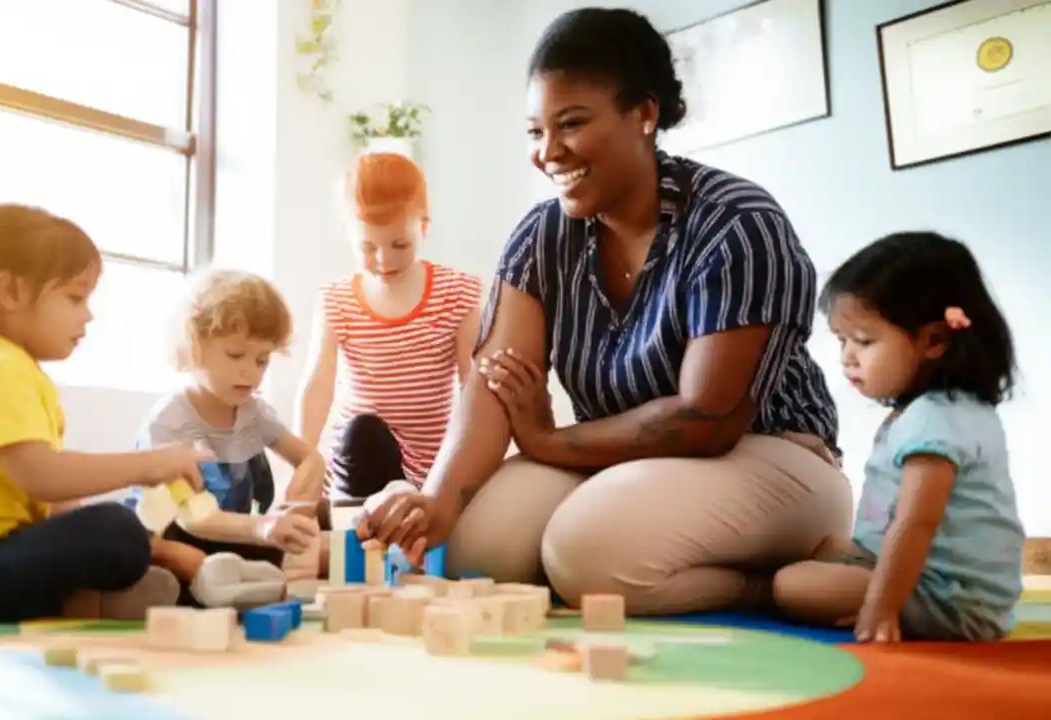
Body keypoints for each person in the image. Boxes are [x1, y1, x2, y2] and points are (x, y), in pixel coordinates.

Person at [357, 7, 852, 616]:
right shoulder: (543, 236)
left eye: (571, 124)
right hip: (616, 465)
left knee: (585, 556)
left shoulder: (737, 224)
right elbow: (494, 387)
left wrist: (547, 440)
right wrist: (436, 500)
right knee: (475, 552)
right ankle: (639, 568)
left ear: (644, 114)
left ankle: (779, 583)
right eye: (535, 132)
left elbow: (706, 421)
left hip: (772, 454)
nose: (548, 152)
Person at [0, 203, 207, 623]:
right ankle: (87, 600)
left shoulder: (18, 369)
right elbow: (41, 475)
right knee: (116, 529)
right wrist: (150, 465)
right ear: (10, 292)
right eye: (75, 297)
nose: (89, 314)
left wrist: (148, 544)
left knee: (114, 531)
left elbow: (56, 501)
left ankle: (95, 599)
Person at [773, 232, 1024, 642]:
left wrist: (880, 607)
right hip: (923, 576)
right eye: (842, 341)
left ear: (935, 341)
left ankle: (887, 602)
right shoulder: (940, 410)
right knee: (825, 547)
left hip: (948, 600)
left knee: (790, 584)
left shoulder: (935, 419)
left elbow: (915, 523)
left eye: (864, 341)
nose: (847, 357)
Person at [295, 152, 482, 501]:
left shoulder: (457, 294)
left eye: (400, 244)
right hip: (359, 465)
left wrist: (475, 467)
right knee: (363, 432)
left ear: (423, 228)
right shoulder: (337, 300)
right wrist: (302, 461)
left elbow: (473, 384)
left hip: (432, 473)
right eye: (368, 247)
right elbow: (318, 382)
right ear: (348, 235)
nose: (384, 260)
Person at [136, 268, 324, 607]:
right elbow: (192, 517)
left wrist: (296, 508)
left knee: (289, 553)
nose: (250, 371)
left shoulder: (254, 413)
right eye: (236, 355)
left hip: (235, 535)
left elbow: (310, 458)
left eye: (262, 360)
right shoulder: (170, 423)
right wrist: (264, 526)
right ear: (194, 348)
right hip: (180, 536)